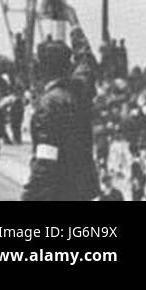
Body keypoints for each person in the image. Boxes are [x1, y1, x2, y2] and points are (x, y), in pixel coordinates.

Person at [22, 39, 99, 200]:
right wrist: (74, 24)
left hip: (58, 192)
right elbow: (87, 63)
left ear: (41, 69)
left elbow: (45, 164)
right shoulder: (80, 90)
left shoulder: (49, 105)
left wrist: (28, 197)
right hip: (83, 191)